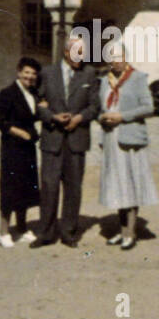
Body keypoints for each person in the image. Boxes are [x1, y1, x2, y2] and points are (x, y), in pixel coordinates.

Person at [30, 34, 100, 248]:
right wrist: (52, 117)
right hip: (53, 139)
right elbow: (36, 103)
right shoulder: (47, 73)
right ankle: (46, 232)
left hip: (76, 140)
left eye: (83, 52)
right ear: (66, 52)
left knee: (73, 188)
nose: (81, 56)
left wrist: (79, 118)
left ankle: (69, 231)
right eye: (76, 51)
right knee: (49, 186)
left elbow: (94, 107)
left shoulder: (89, 74)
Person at [98, 43, 158, 250]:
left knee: (130, 184)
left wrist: (122, 117)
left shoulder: (138, 78)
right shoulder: (105, 81)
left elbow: (149, 107)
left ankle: (130, 232)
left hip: (129, 138)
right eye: (112, 57)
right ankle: (121, 230)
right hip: (111, 138)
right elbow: (100, 108)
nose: (116, 60)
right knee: (117, 186)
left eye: (119, 56)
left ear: (126, 57)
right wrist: (103, 117)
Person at [0, 56, 41, 247]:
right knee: (10, 188)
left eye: (33, 74)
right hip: (12, 148)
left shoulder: (33, 93)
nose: (29, 77)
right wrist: (20, 132)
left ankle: (21, 229)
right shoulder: (7, 93)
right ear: (19, 73)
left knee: (26, 187)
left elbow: (34, 115)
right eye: (26, 73)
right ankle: (3, 232)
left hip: (28, 148)